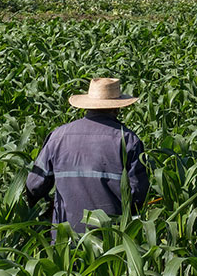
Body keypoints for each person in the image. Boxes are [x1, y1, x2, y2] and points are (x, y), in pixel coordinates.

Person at [27, 77, 147, 237]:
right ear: (117, 108)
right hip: (110, 240)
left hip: (65, 239)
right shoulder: (128, 140)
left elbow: (33, 186)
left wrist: (48, 206)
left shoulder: (58, 136)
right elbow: (137, 194)